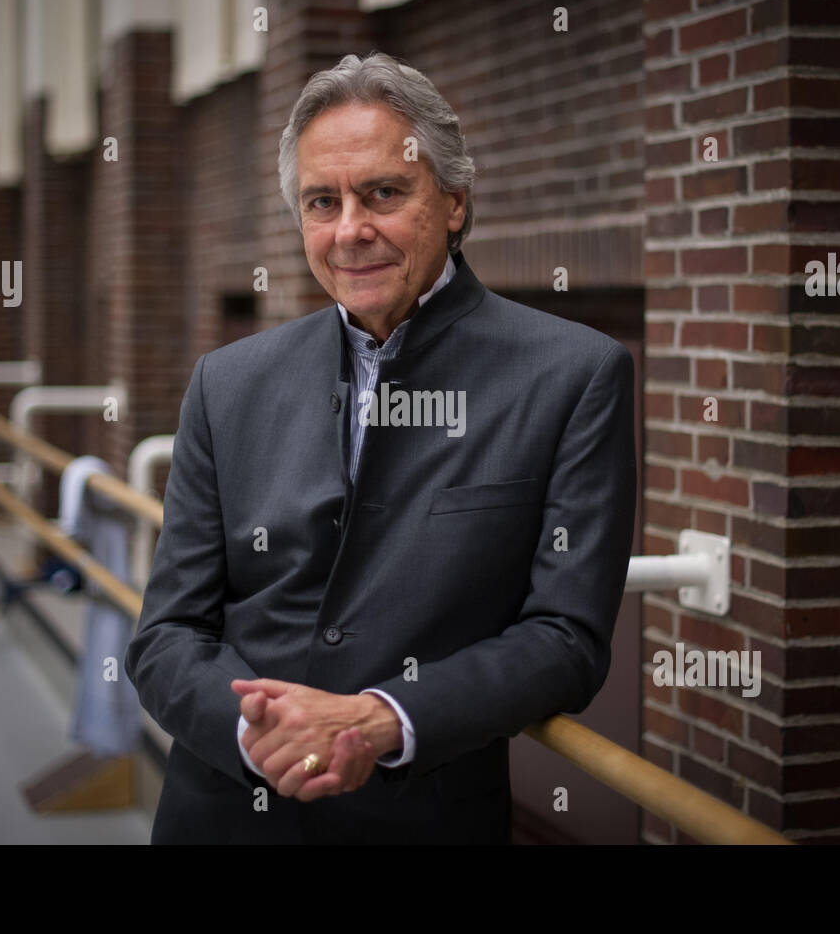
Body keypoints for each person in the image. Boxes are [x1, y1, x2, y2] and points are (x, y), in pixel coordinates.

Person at [124, 51, 636, 844]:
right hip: (223, 812)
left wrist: (378, 720)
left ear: (455, 202)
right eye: (321, 202)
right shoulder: (227, 384)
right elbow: (165, 636)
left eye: (384, 194)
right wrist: (261, 734)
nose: (350, 230)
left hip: (420, 821)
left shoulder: (574, 376)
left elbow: (566, 640)